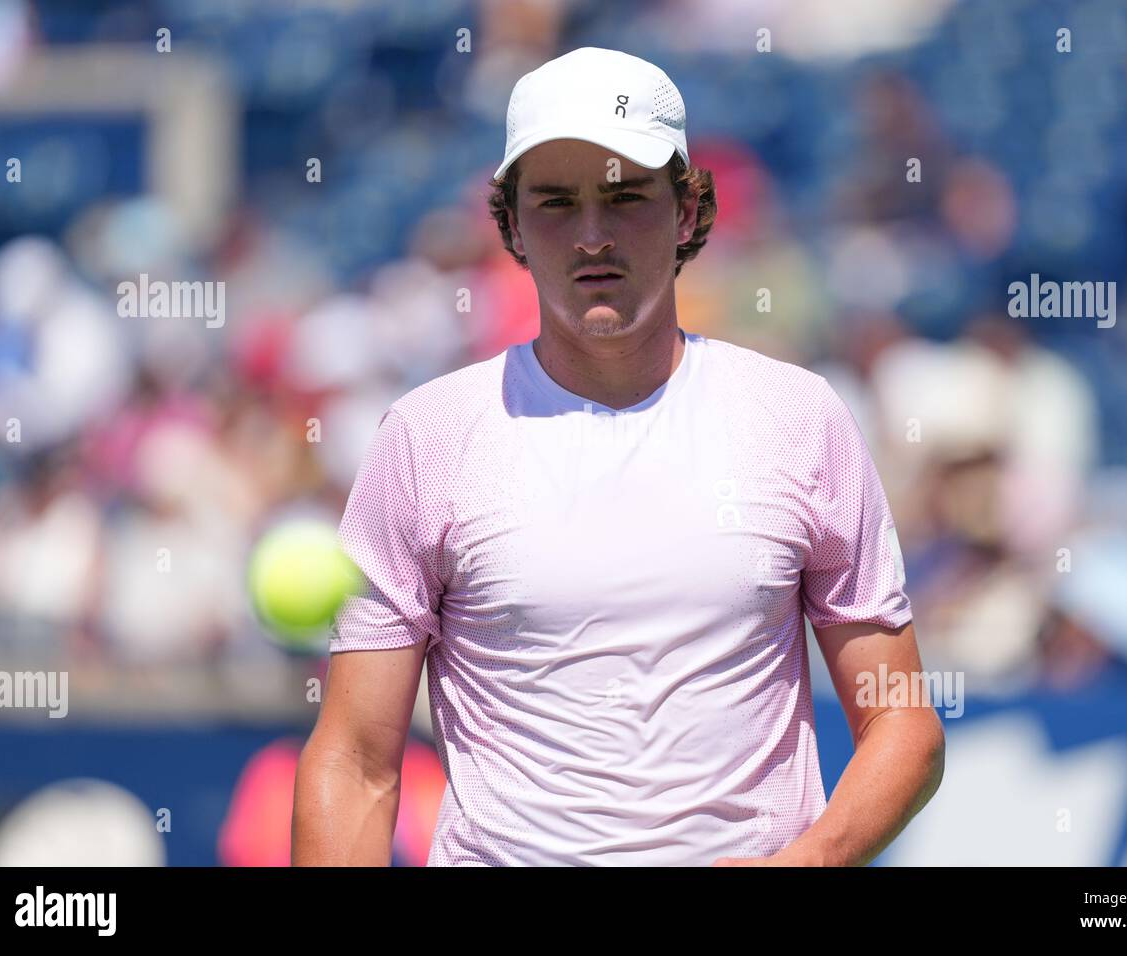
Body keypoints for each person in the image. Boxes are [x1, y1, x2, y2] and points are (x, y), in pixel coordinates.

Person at [292, 47, 943, 866]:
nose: (592, 235)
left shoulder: (801, 419)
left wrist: (810, 861)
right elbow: (353, 761)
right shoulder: (425, 437)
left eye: (626, 196)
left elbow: (903, 722)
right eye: (556, 203)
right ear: (512, 227)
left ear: (686, 211)